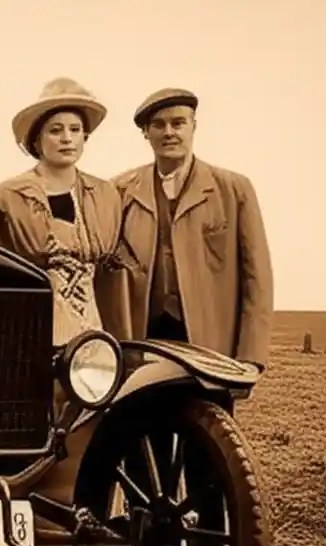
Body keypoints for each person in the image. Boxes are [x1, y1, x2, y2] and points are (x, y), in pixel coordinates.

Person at [0, 77, 133, 546]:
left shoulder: (106, 196)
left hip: (89, 337)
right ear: (35, 140)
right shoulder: (5, 197)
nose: (67, 139)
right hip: (28, 334)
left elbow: (114, 273)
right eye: (56, 130)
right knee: (31, 450)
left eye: (75, 130)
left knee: (84, 446)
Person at [105, 88, 274, 371]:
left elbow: (257, 277)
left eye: (178, 123)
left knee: (206, 416)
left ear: (193, 126)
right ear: (146, 133)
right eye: (158, 125)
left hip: (210, 347)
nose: (169, 132)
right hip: (141, 343)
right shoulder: (119, 191)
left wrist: (251, 356)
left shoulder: (233, 189)